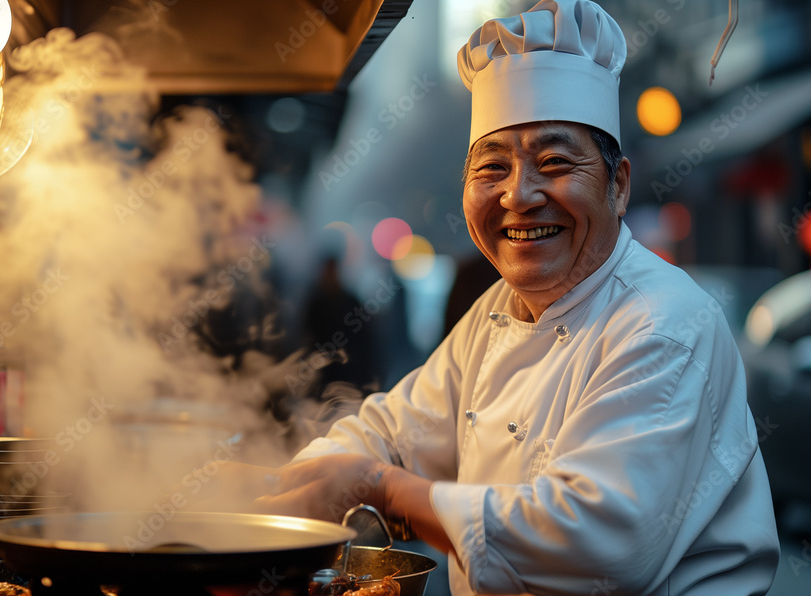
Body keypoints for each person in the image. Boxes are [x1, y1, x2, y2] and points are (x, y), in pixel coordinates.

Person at [226, 1, 782, 594]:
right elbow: (392, 431)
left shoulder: (662, 323)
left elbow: (596, 544)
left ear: (617, 185)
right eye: (492, 167)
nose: (519, 195)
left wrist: (380, 487)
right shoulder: (498, 310)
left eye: (554, 162)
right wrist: (287, 488)